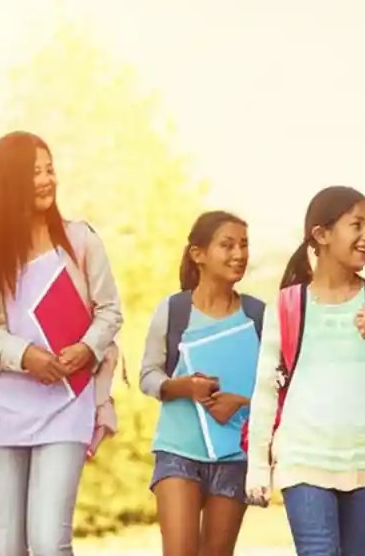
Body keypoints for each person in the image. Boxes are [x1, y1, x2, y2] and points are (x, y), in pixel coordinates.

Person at [244, 185, 365, 556]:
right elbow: (266, 390)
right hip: (304, 458)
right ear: (322, 234)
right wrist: (257, 466)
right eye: (357, 225)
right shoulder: (287, 305)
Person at [0, 131, 123, 556]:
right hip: (2, 409)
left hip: (66, 404)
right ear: (7, 181)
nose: (46, 180)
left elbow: (110, 311)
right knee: (8, 545)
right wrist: (25, 355)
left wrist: (87, 347)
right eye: (34, 172)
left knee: (49, 540)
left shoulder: (80, 240)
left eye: (49, 169)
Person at [141, 210, 263, 556]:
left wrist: (241, 402)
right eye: (227, 245)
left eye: (244, 245)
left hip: (235, 456)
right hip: (178, 453)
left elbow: (279, 388)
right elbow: (148, 376)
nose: (239, 254)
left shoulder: (258, 317)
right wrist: (185, 387)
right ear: (199, 254)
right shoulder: (174, 310)